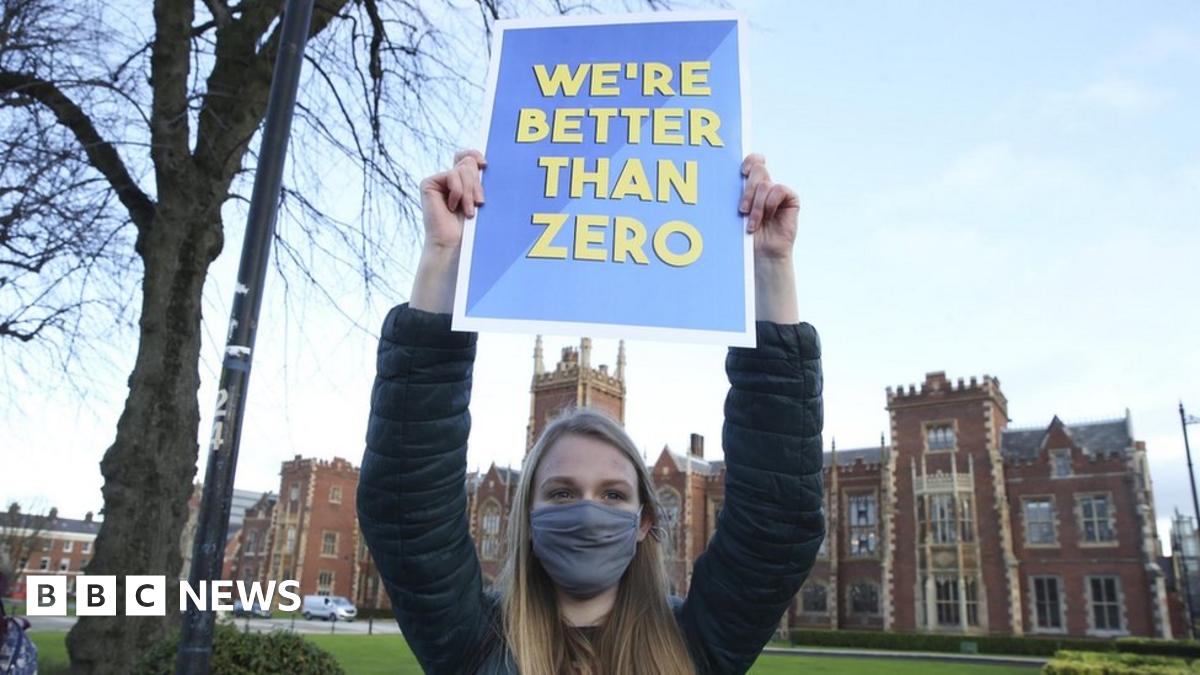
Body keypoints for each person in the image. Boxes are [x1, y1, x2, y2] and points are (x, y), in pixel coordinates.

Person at [357, 149, 825, 675]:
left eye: (613, 494)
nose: (586, 511)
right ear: (526, 519)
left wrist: (768, 267)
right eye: (560, 493)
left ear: (647, 519)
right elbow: (406, 505)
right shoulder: (475, 643)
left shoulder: (693, 646)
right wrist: (445, 255)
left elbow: (777, 520)